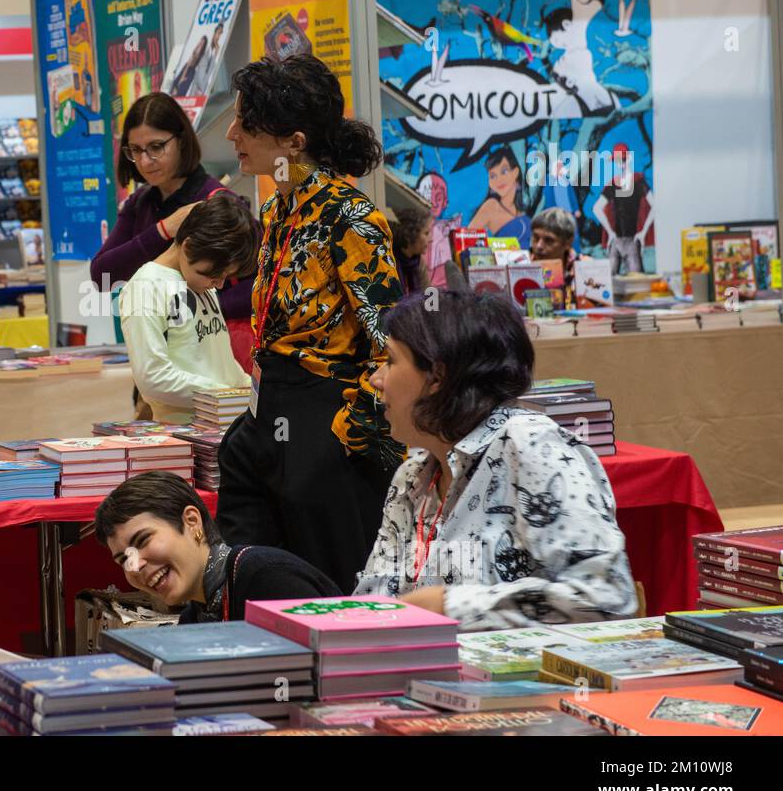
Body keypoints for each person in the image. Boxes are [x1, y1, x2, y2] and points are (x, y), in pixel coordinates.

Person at [217, 54, 404, 592]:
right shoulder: (280, 208)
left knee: (330, 581)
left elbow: (389, 342)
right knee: (257, 576)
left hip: (330, 422)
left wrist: (348, 438)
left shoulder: (350, 216)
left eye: (246, 124)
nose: (232, 134)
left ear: (294, 142)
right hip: (270, 411)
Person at [355, 290, 638, 630]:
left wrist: (449, 607)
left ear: (437, 377)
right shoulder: (413, 474)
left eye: (390, 361)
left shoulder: (531, 447)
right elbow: (375, 601)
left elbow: (608, 597)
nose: (376, 379)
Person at [90, 92, 255, 324]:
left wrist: (197, 309)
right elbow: (101, 277)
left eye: (156, 147)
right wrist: (163, 230)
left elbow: (263, 285)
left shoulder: (217, 201)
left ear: (182, 140)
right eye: (136, 150)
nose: (145, 161)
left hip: (210, 347)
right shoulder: (141, 202)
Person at [96, 472, 340, 623]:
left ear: (192, 522)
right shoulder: (194, 618)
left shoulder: (266, 578)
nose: (135, 565)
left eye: (143, 541)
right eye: (123, 559)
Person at [119, 193, 256, 423]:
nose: (219, 284)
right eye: (212, 274)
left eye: (225, 276)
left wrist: (247, 390)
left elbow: (218, 360)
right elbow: (153, 377)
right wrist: (225, 395)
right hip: (184, 432)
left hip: (224, 422)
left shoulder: (200, 281)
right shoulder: (145, 287)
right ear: (188, 245)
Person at [592, 143, 654, 275]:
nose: (621, 164)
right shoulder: (613, 185)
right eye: (618, 161)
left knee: (636, 281)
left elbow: (655, 205)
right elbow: (596, 208)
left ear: (629, 159)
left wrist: (643, 232)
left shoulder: (638, 182)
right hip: (616, 240)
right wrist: (610, 232)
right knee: (609, 282)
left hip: (632, 240)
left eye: (624, 159)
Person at [468, 146, 532, 248]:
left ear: (515, 172)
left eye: (504, 171)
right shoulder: (491, 206)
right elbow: (466, 241)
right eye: (492, 176)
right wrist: (497, 247)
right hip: (504, 262)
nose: (499, 180)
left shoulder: (523, 209)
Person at [530, 206, 580, 306]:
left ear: (567, 243)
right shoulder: (521, 265)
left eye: (548, 240)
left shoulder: (584, 268)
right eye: (535, 238)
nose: (539, 246)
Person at [391, 207, 432, 297]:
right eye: (426, 233)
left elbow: (431, 301)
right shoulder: (390, 260)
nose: (430, 239)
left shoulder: (417, 261)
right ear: (410, 234)